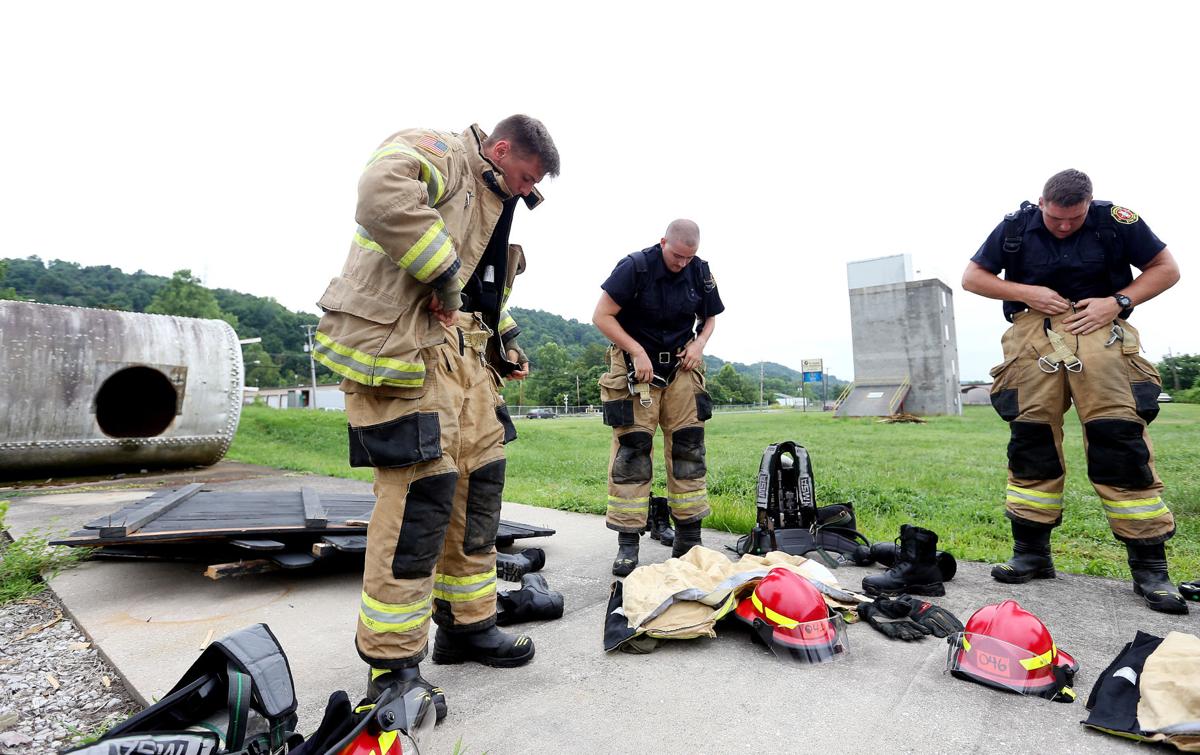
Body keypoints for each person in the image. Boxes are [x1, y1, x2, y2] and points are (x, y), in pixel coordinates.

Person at [312, 115, 561, 719]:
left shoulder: (498, 199)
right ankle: (392, 665)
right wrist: (444, 276)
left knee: (478, 491)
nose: (528, 193)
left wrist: (504, 338)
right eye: (526, 177)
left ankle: (467, 626)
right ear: (501, 150)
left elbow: (482, 285)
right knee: (419, 499)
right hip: (405, 349)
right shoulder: (442, 155)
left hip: (467, 358)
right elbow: (379, 193)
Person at [962, 168, 1186, 615]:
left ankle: (1150, 568)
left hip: (1102, 332)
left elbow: (1167, 269)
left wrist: (1119, 301)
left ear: (1089, 205)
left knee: (1118, 438)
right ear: (1042, 202)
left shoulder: (1117, 220)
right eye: (1056, 218)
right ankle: (1031, 554)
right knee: (1031, 440)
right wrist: (1026, 291)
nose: (1064, 226)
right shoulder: (1014, 227)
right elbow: (973, 277)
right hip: (1032, 335)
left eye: (1075, 219)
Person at [592, 219, 725, 576]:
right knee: (632, 452)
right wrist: (636, 351)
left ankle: (688, 538)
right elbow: (601, 316)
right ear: (663, 241)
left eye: (689, 257)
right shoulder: (635, 267)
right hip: (638, 370)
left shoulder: (699, 271)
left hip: (681, 368)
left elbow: (709, 318)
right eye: (678, 255)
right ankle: (628, 543)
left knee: (688, 448)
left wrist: (698, 344)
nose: (682, 263)